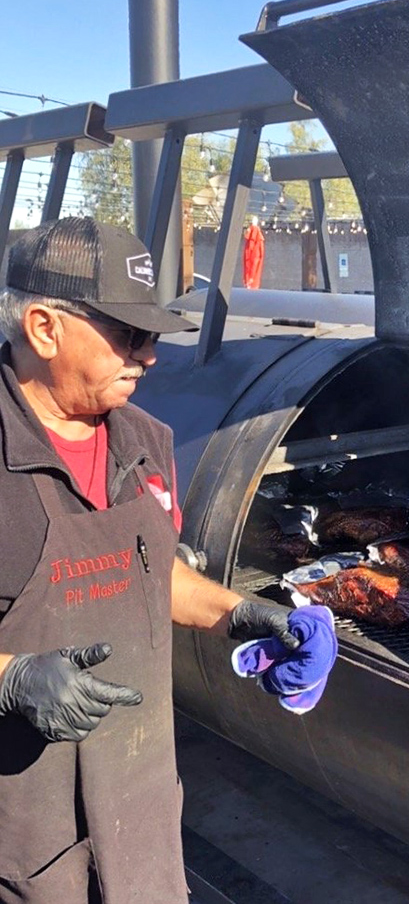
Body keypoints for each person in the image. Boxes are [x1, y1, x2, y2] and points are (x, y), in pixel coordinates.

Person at [0, 217, 300, 904]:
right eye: (129, 334)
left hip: (138, 814)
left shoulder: (145, 441)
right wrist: (10, 678)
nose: (150, 356)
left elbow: (151, 570)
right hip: (19, 837)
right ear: (45, 328)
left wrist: (238, 611)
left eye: (155, 335)